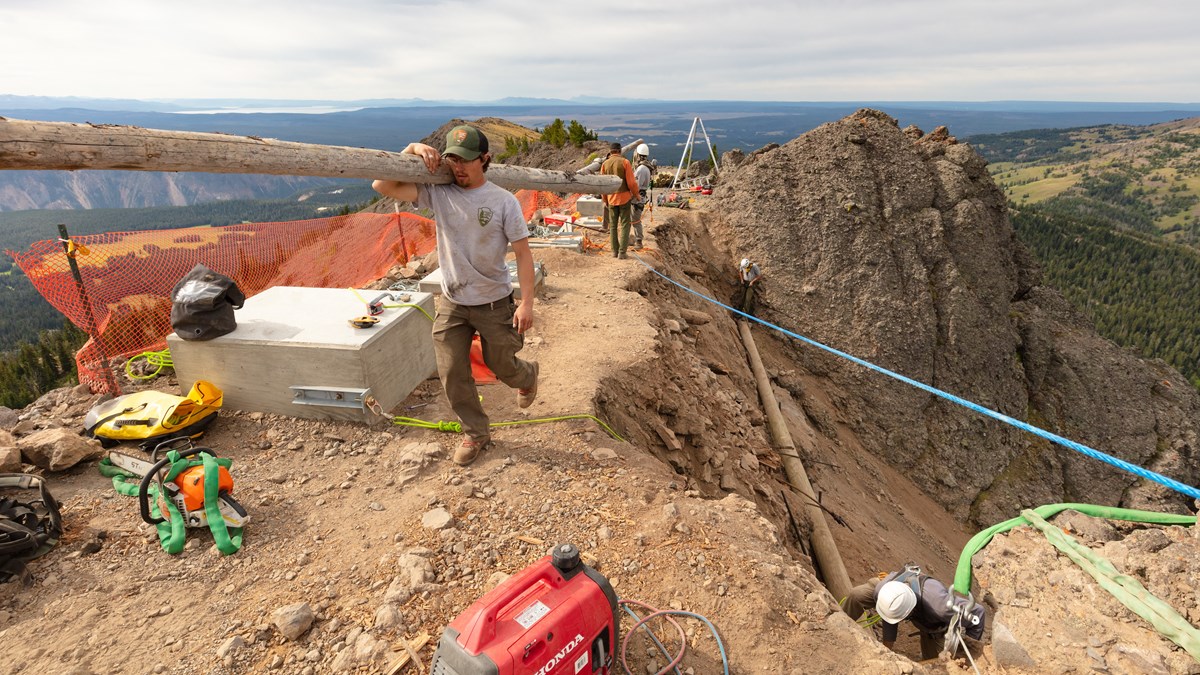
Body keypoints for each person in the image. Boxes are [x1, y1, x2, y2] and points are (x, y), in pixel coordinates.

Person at [372, 124, 539, 466]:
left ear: (484, 159)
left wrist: (526, 303)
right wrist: (412, 147)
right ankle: (476, 433)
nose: (458, 167)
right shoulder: (439, 192)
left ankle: (527, 376)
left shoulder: (503, 202)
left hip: (493, 301)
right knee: (451, 371)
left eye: (466, 160)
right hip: (453, 301)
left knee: (501, 365)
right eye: (452, 159)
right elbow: (381, 185)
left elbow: (523, 254)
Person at [843, 565, 986, 660]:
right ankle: (840, 625)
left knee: (937, 664)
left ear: (910, 610)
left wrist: (966, 653)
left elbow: (978, 613)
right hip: (905, 602)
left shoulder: (939, 607)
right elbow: (889, 617)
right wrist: (886, 652)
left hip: (934, 625)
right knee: (856, 595)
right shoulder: (884, 591)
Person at [600, 142, 640, 259]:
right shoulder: (625, 162)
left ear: (610, 151)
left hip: (611, 199)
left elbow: (602, 185)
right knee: (625, 225)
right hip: (624, 198)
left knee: (612, 226)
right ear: (620, 151)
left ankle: (614, 251)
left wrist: (605, 199)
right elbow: (631, 183)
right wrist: (636, 195)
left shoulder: (605, 164)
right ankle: (622, 252)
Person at [630, 143, 654, 249]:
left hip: (637, 198)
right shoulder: (646, 167)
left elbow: (636, 185)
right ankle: (634, 239)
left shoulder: (641, 169)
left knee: (635, 220)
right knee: (634, 219)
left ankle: (639, 242)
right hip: (640, 197)